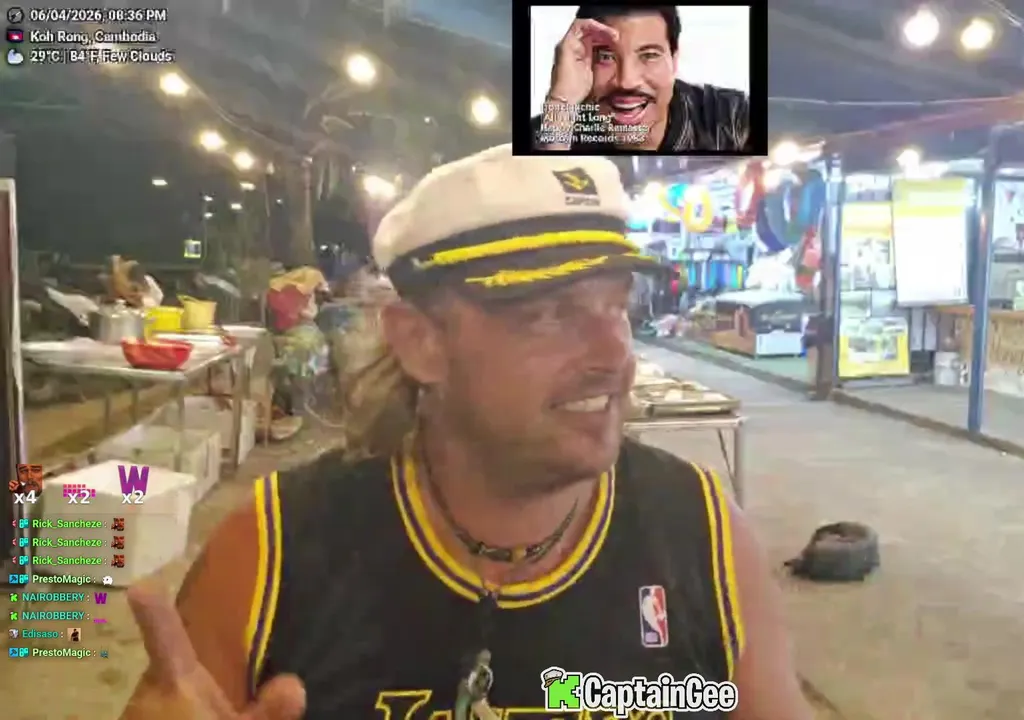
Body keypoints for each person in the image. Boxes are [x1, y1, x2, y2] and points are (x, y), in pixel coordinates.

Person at [119, 146, 810, 720]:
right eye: (549, 314)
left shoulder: (703, 535)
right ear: (421, 342)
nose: (614, 355)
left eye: (617, 307)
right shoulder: (275, 551)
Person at [533, 6, 750, 153]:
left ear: (674, 60)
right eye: (605, 57)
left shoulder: (732, 118)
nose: (626, 81)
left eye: (649, 55)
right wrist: (560, 103)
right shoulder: (548, 129)